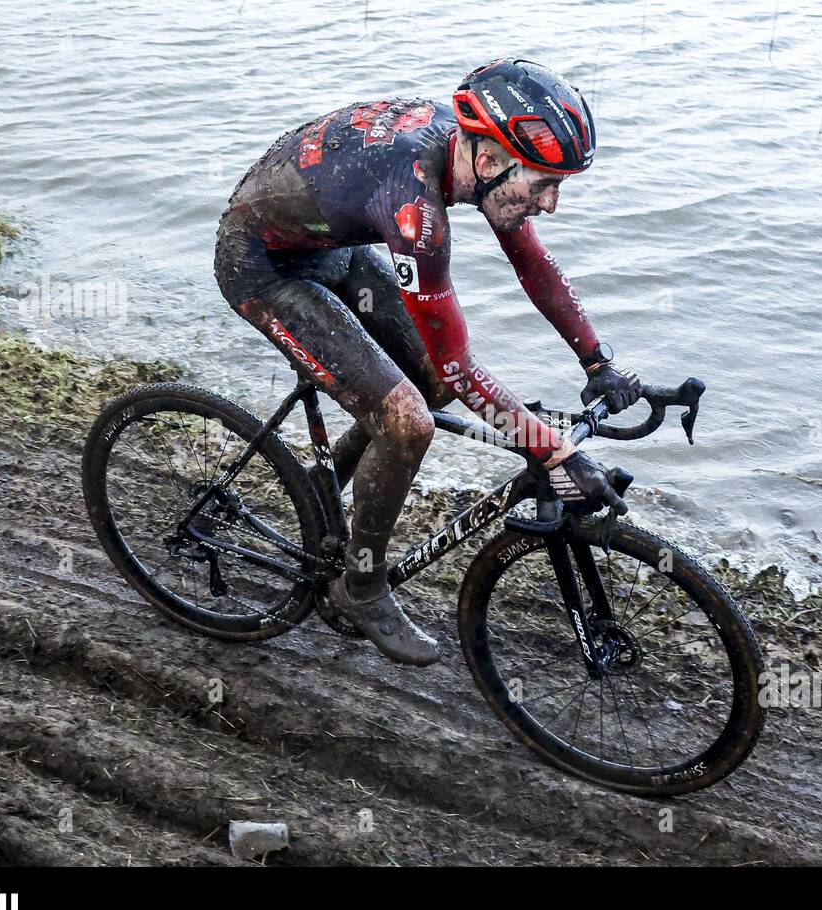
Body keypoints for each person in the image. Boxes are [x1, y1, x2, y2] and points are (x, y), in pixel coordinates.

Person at [213, 58, 642, 667]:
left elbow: (534, 266)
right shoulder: (414, 208)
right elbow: (461, 366)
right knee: (408, 422)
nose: (550, 204)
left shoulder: (476, 157)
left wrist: (597, 362)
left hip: (330, 245)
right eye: (545, 184)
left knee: (430, 385)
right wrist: (554, 451)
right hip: (261, 265)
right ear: (489, 163)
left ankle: (324, 482)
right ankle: (362, 586)